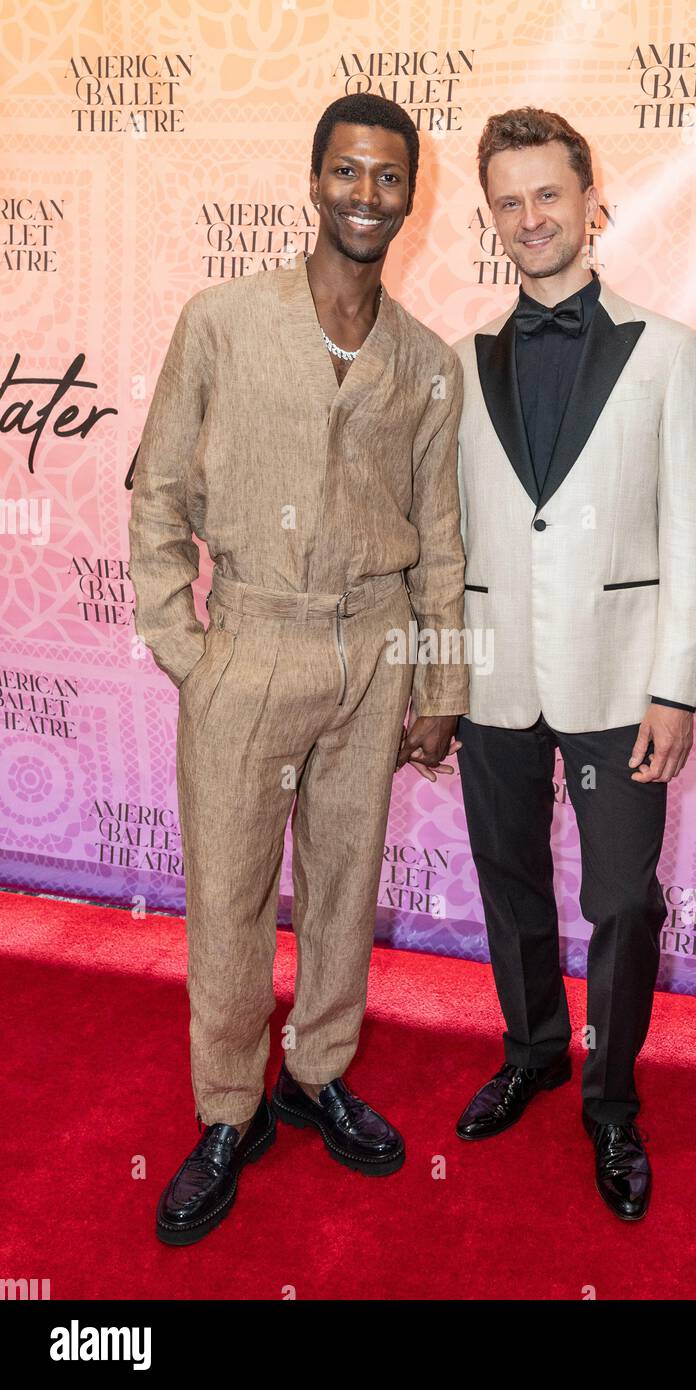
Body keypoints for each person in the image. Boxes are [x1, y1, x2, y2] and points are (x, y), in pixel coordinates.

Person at [128, 92, 468, 1245]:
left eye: (387, 178)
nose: (366, 195)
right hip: (252, 641)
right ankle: (229, 1110)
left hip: (375, 651)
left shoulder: (425, 364)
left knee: (342, 881)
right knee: (227, 897)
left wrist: (442, 684)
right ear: (312, 180)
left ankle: (314, 1073)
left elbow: (442, 532)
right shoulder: (220, 321)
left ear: (408, 197)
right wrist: (185, 647)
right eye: (347, 172)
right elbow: (160, 491)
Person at [452, 107, 696, 1221]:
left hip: (621, 685)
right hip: (491, 677)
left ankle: (609, 1103)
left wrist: (675, 683)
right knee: (509, 884)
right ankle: (533, 1049)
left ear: (589, 201)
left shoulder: (666, 350)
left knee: (619, 903)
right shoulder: (460, 360)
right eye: (508, 202)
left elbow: (692, 525)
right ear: (492, 220)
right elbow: (451, 528)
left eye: (547, 194)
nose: (529, 218)